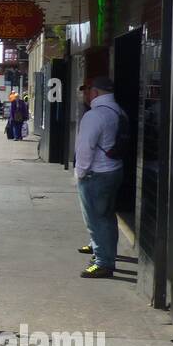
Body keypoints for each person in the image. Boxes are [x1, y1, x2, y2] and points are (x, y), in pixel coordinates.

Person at [75, 76, 127, 279]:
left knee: (96, 219)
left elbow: (85, 148)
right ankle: (103, 249)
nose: (86, 95)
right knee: (107, 216)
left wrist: (80, 173)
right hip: (114, 170)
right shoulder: (118, 111)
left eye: (87, 90)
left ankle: (103, 261)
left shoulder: (94, 116)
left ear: (95, 92)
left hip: (96, 174)